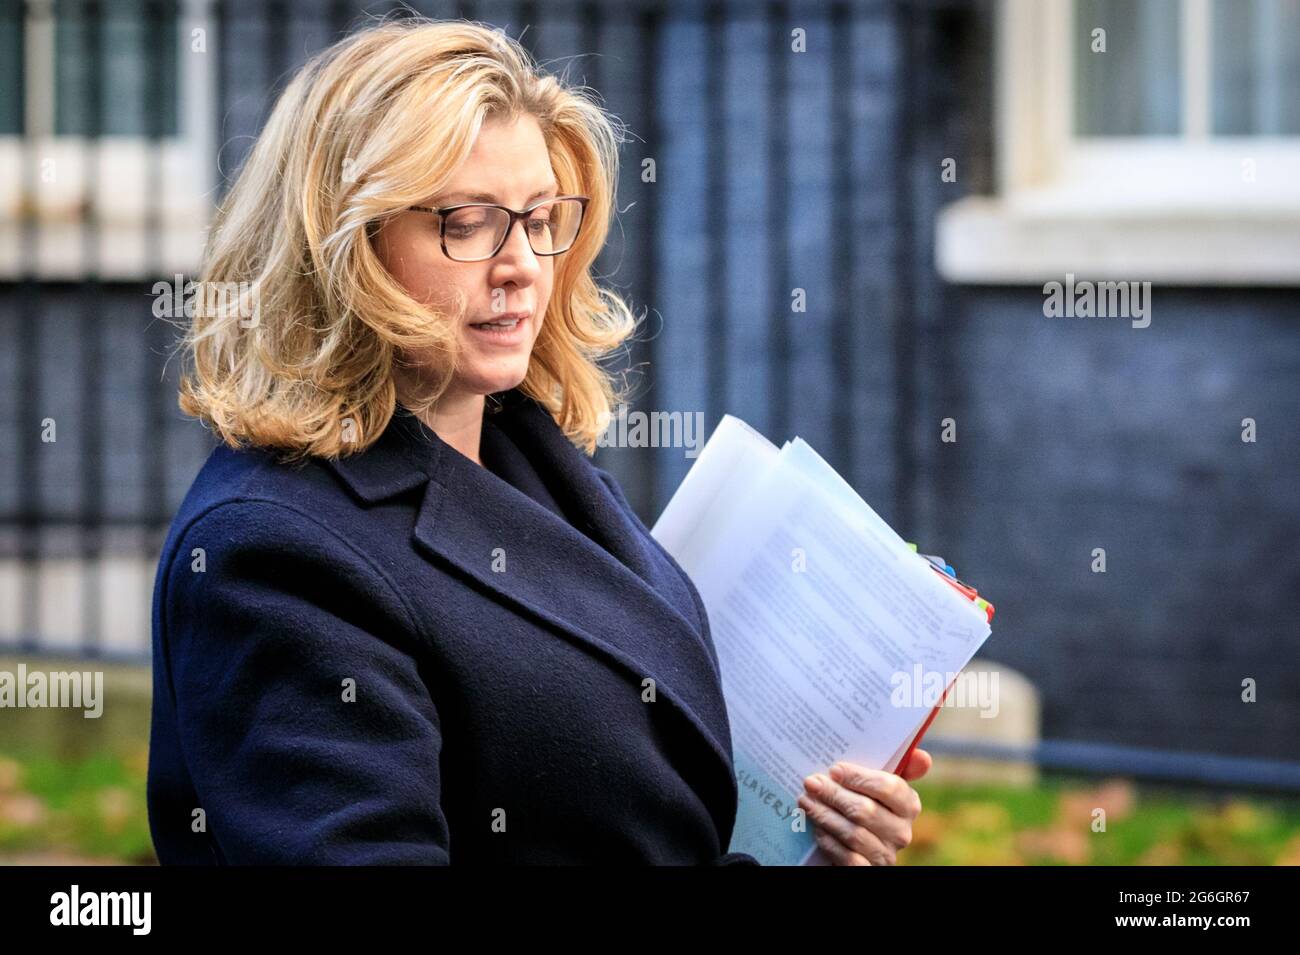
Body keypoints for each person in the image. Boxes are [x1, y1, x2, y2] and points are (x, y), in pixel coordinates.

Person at [147, 17, 929, 865]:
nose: (521, 262)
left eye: (540, 217)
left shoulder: (526, 450)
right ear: (343, 247)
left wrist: (820, 852)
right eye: (466, 220)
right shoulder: (269, 550)